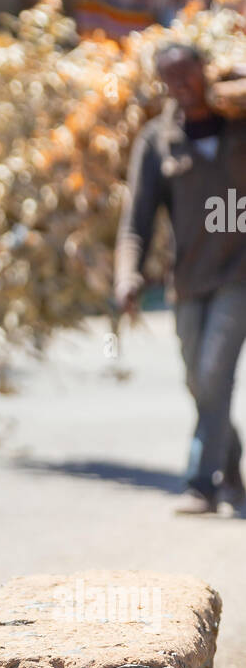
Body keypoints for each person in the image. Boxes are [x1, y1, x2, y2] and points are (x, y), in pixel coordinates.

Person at [115, 42, 246, 515]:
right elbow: (138, 218)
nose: (182, 86)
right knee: (197, 382)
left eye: (189, 74)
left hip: (240, 275)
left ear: (207, 74)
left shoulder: (239, 125)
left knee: (215, 371)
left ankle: (201, 484)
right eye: (172, 78)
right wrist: (127, 274)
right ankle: (231, 469)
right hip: (188, 280)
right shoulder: (157, 141)